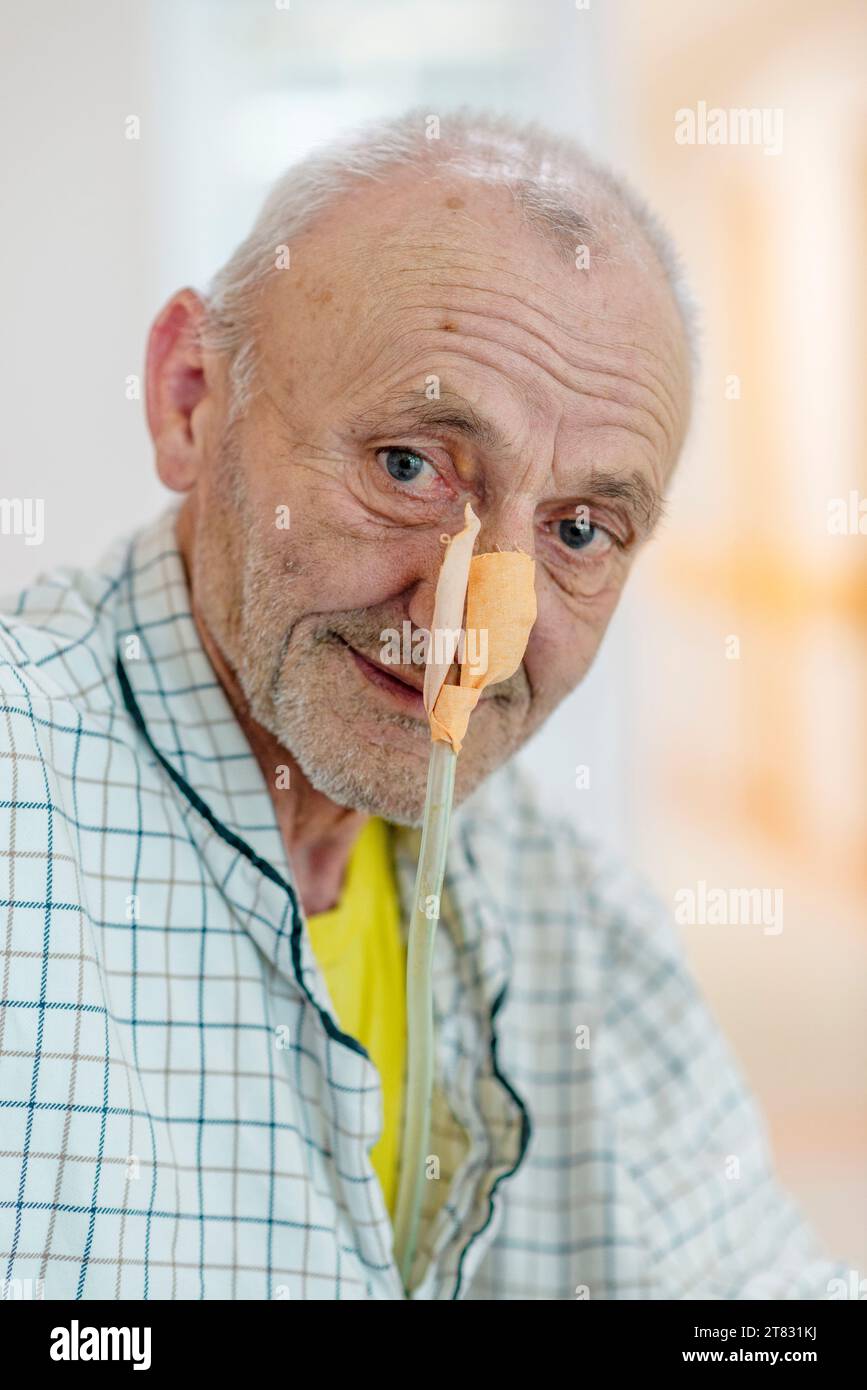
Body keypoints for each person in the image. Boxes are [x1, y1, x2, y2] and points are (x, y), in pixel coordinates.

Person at [0, 110, 845, 1299]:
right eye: (410, 466)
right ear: (191, 398)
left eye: (580, 531)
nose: (471, 633)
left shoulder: (571, 915)